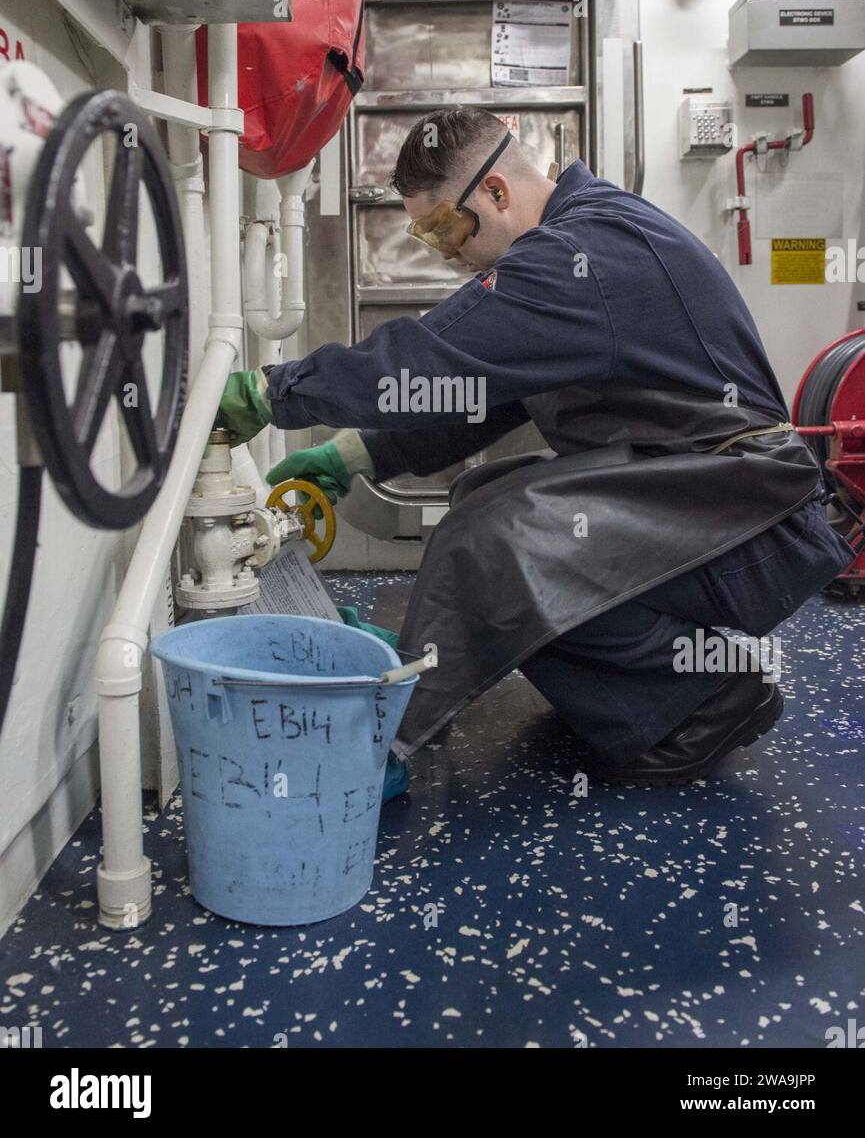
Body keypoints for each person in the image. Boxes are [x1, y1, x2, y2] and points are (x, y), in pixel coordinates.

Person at [217, 108, 852, 787]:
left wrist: (271, 392)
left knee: (494, 541)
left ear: (493, 192)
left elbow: (429, 363)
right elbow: (472, 402)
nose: (447, 251)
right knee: (481, 496)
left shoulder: (582, 256)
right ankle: (653, 694)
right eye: (428, 237)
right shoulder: (575, 243)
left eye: (446, 227)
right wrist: (350, 459)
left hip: (748, 527)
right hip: (703, 504)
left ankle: (697, 701)